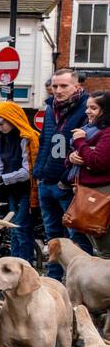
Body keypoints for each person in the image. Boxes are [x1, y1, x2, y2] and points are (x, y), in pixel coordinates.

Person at [35, 68, 92, 279]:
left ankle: (80, 282)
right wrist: (39, 171)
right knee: (53, 237)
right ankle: (53, 280)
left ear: (77, 86)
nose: (58, 90)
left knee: (76, 238)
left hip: (68, 183)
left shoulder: (87, 108)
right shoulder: (51, 108)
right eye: (55, 86)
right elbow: (45, 142)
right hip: (46, 180)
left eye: (64, 86)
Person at [0, 99, 40, 263]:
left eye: (2, 124)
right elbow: (0, 166)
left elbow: (27, 171)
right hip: (11, 190)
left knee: (20, 228)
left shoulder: (27, 139)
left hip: (26, 190)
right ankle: (14, 262)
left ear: (13, 119)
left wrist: (1, 179)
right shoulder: (0, 141)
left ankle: (24, 263)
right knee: (13, 228)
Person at [69, 90, 110, 257]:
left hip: (101, 196)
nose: (87, 111)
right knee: (97, 246)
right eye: (87, 107)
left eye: (93, 108)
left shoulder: (107, 133)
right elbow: (81, 156)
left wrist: (80, 141)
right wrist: (71, 157)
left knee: (105, 249)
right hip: (89, 193)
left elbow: (97, 162)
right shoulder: (91, 129)